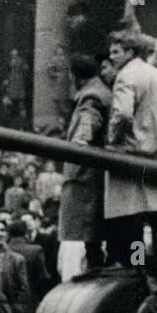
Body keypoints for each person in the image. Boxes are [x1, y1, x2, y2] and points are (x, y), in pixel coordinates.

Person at [103, 31, 157, 270]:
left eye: (116, 52)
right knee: (144, 217)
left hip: (129, 153)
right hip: (154, 154)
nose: (112, 57)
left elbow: (122, 114)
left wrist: (113, 141)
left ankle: (132, 268)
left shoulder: (125, 76)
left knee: (126, 219)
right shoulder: (156, 74)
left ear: (130, 52)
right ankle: (142, 266)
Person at [59, 53, 112, 281]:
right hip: (94, 174)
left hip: (88, 174)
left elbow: (88, 122)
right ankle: (95, 264)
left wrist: (80, 139)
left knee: (89, 226)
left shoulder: (91, 96)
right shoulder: (100, 91)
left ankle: (95, 266)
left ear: (75, 76)